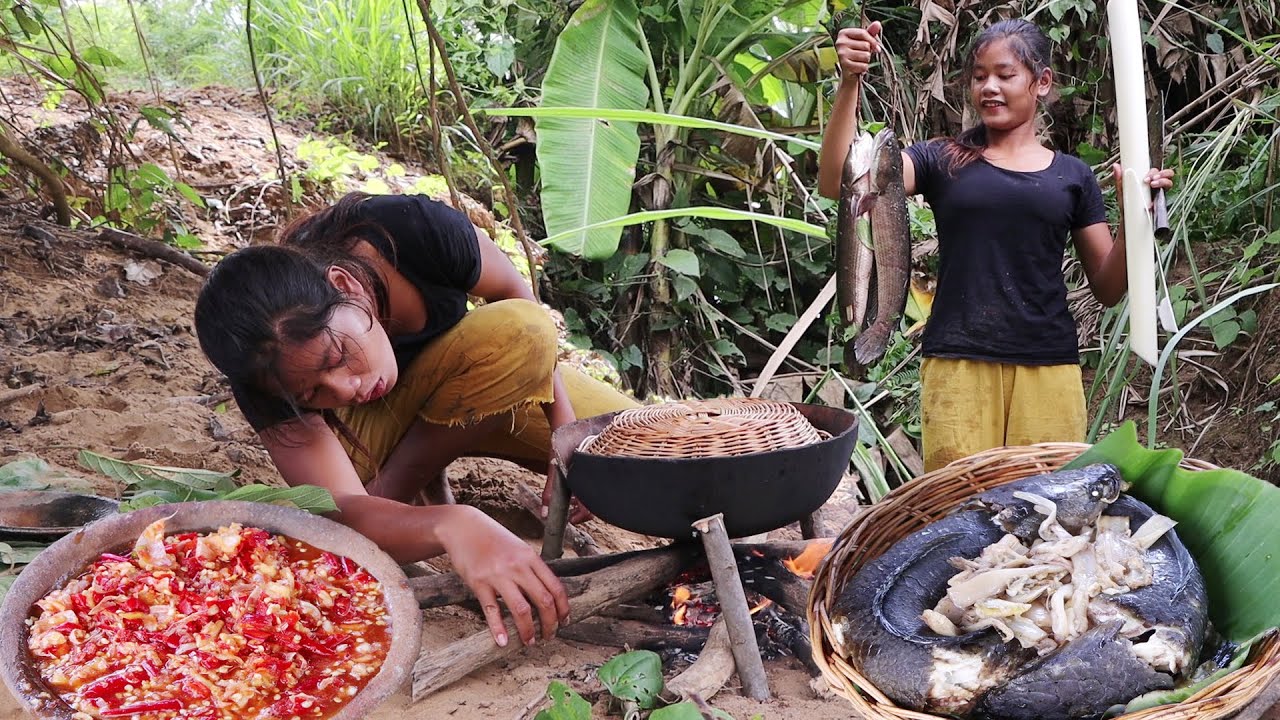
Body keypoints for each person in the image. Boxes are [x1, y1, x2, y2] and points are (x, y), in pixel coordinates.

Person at [193, 192, 638, 648]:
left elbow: (523, 307)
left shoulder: (411, 229)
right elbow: (341, 509)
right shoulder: (264, 372)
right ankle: (410, 499)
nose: (345, 390)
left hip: (487, 376)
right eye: (313, 393)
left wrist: (566, 442)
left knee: (636, 444)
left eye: (339, 356)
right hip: (376, 444)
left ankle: (411, 499)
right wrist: (452, 524)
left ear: (346, 285)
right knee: (342, 522)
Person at [818, 19, 1174, 472]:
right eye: (979, 76)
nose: (990, 87)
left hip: (1049, 368)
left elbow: (1106, 287)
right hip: (957, 365)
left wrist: (1132, 217)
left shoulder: (1073, 176)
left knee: (1047, 514)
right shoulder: (941, 158)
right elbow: (838, 182)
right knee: (960, 511)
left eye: (1005, 75)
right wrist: (850, 81)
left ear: (1041, 82)